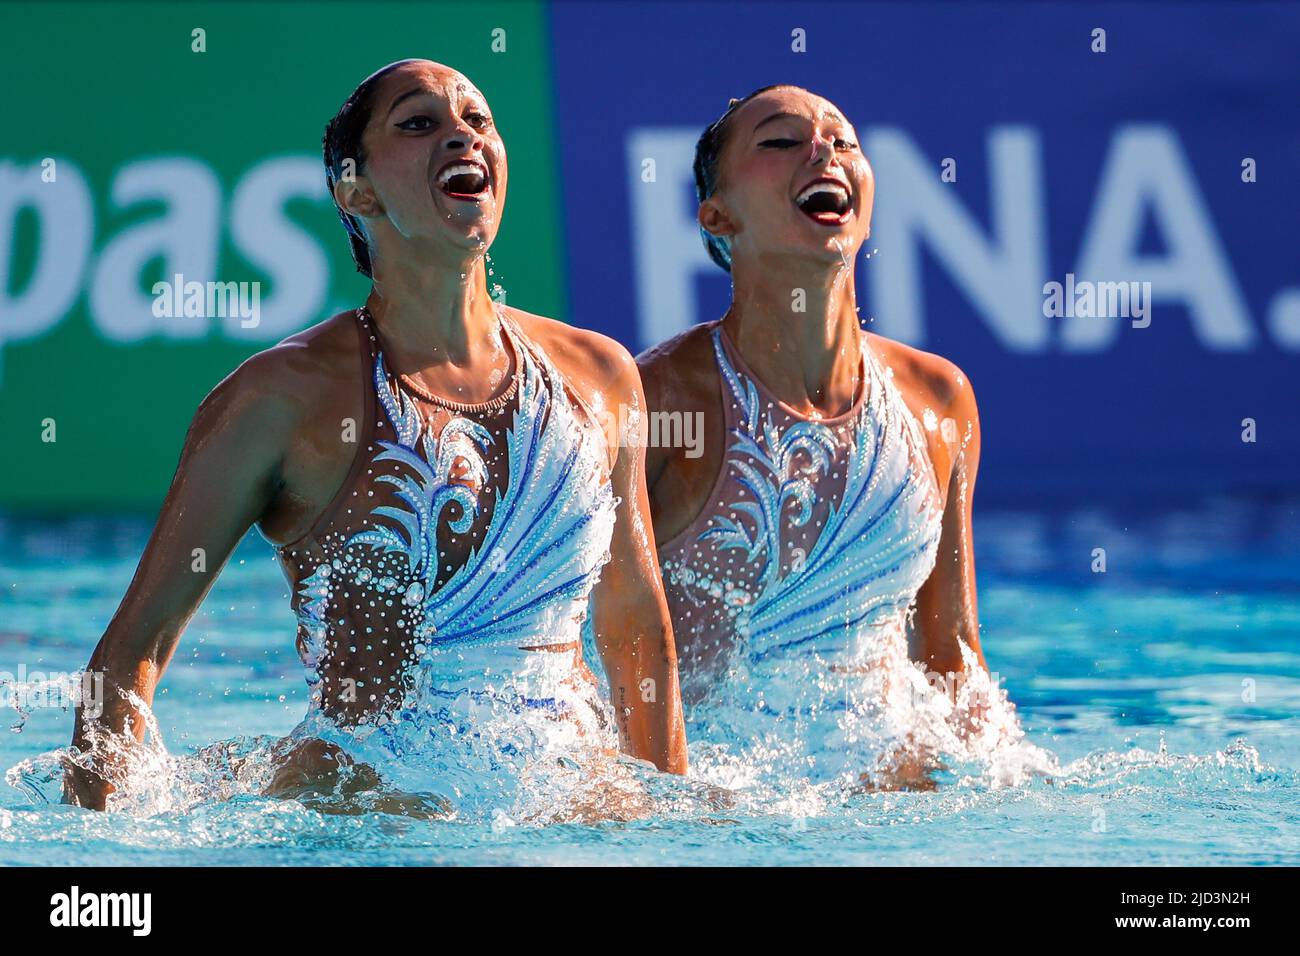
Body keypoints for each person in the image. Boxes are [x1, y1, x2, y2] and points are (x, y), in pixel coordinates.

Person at [63, 59, 687, 818]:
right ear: (355, 191)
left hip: (566, 812)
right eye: (419, 124)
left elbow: (636, 633)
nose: (462, 136)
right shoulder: (281, 398)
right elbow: (131, 657)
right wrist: (92, 856)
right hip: (363, 816)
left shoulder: (600, 377)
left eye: (478, 121)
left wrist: (671, 830)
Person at [638, 85, 1016, 791]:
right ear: (717, 215)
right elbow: (585, 639)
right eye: (780, 141)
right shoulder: (660, 402)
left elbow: (953, 654)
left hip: (888, 809)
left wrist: (1006, 797)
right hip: (720, 815)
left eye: (843, 142)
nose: (823, 151)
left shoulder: (937, 401)